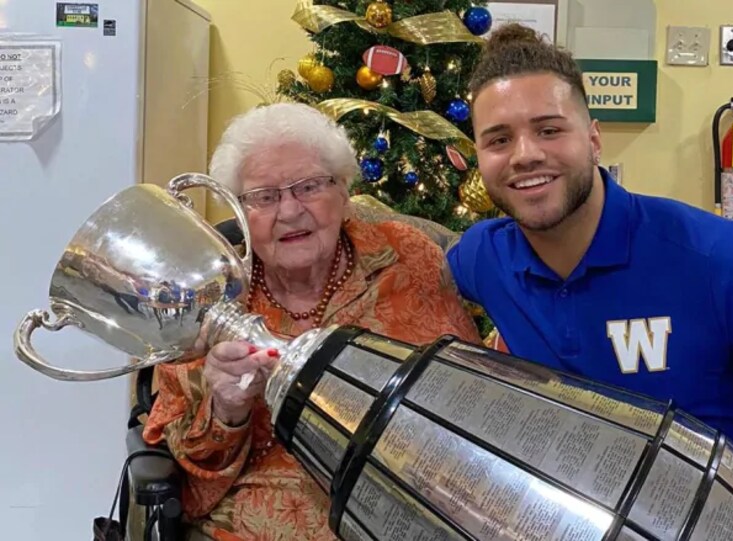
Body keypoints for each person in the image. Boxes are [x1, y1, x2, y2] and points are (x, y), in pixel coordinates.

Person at [446, 24, 733, 541]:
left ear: (593, 139)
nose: (524, 154)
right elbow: (409, 253)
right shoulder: (486, 256)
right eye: (499, 139)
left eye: (549, 130)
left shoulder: (726, 263)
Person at [143, 102, 481, 541]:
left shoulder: (408, 257)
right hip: (252, 522)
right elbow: (187, 476)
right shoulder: (206, 293)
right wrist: (225, 409)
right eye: (264, 196)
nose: (289, 211)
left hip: (400, 507)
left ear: (343, 192)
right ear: (241, 213)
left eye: (309, 187)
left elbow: (466, 391)